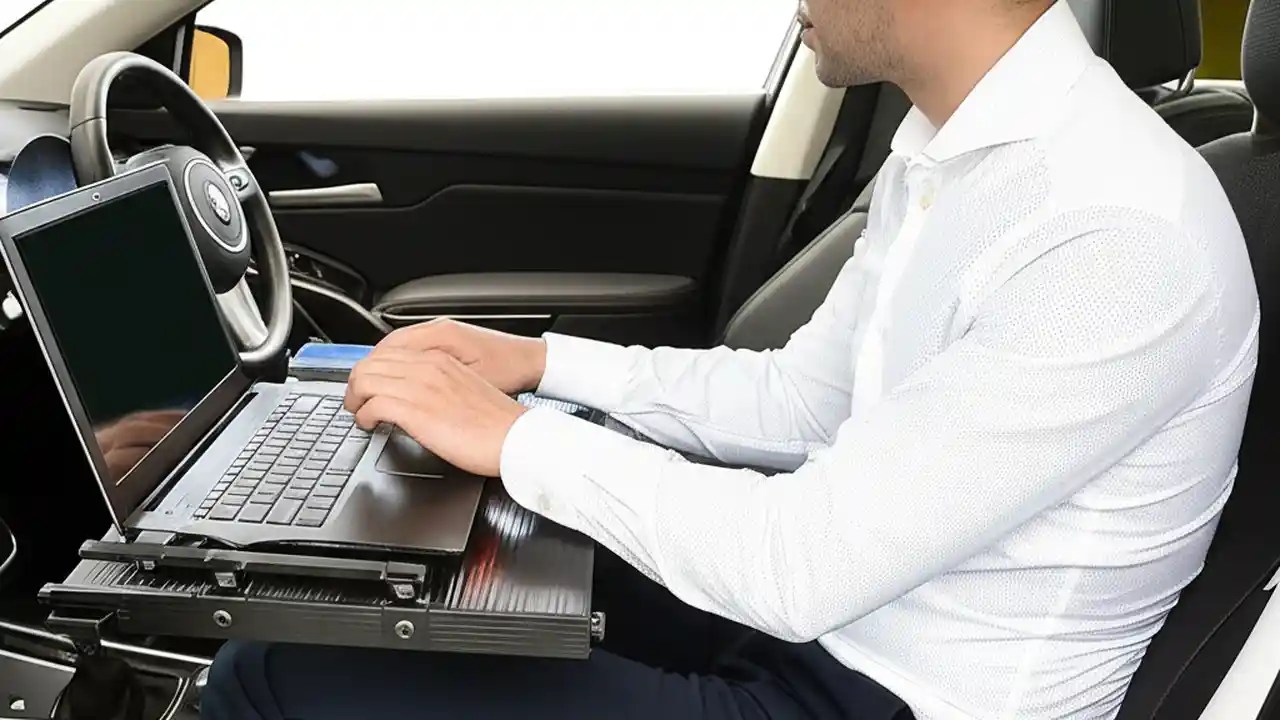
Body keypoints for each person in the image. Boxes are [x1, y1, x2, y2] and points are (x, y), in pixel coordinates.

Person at [201, 0, 1260, 717]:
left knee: (275, 670)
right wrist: (537, 366)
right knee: (411, 560)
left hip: (884, 695)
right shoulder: (958, 154)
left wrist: (518, 439)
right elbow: (802, 405)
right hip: (829, 631)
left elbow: (799, 567)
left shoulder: (1115, 233)